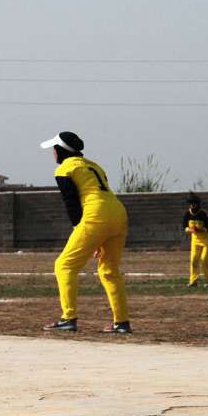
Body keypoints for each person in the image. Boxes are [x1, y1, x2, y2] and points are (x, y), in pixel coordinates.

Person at [40, 131, 132, 334]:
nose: (52, 154)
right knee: (109, 271)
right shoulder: (93, 165)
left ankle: (68, 318)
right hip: (118, 212)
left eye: (54, 149)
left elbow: (71, 203)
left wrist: (79, 229)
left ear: (60, 150)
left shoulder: (65, 169)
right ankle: (122, 323)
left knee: (64, 265)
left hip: (95, 215)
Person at [183, 193, 208, 287]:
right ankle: (193, 281)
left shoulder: (203, 213)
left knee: (204, 258)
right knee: (194, 259)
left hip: (207, 238)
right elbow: (184, 226)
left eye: (193, 203)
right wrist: (190, 229)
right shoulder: (187, 214)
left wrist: (199, 229)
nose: (192, 205)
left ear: (197, 203)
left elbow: (207, 228)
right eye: (190, 203)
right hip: (195, 239)